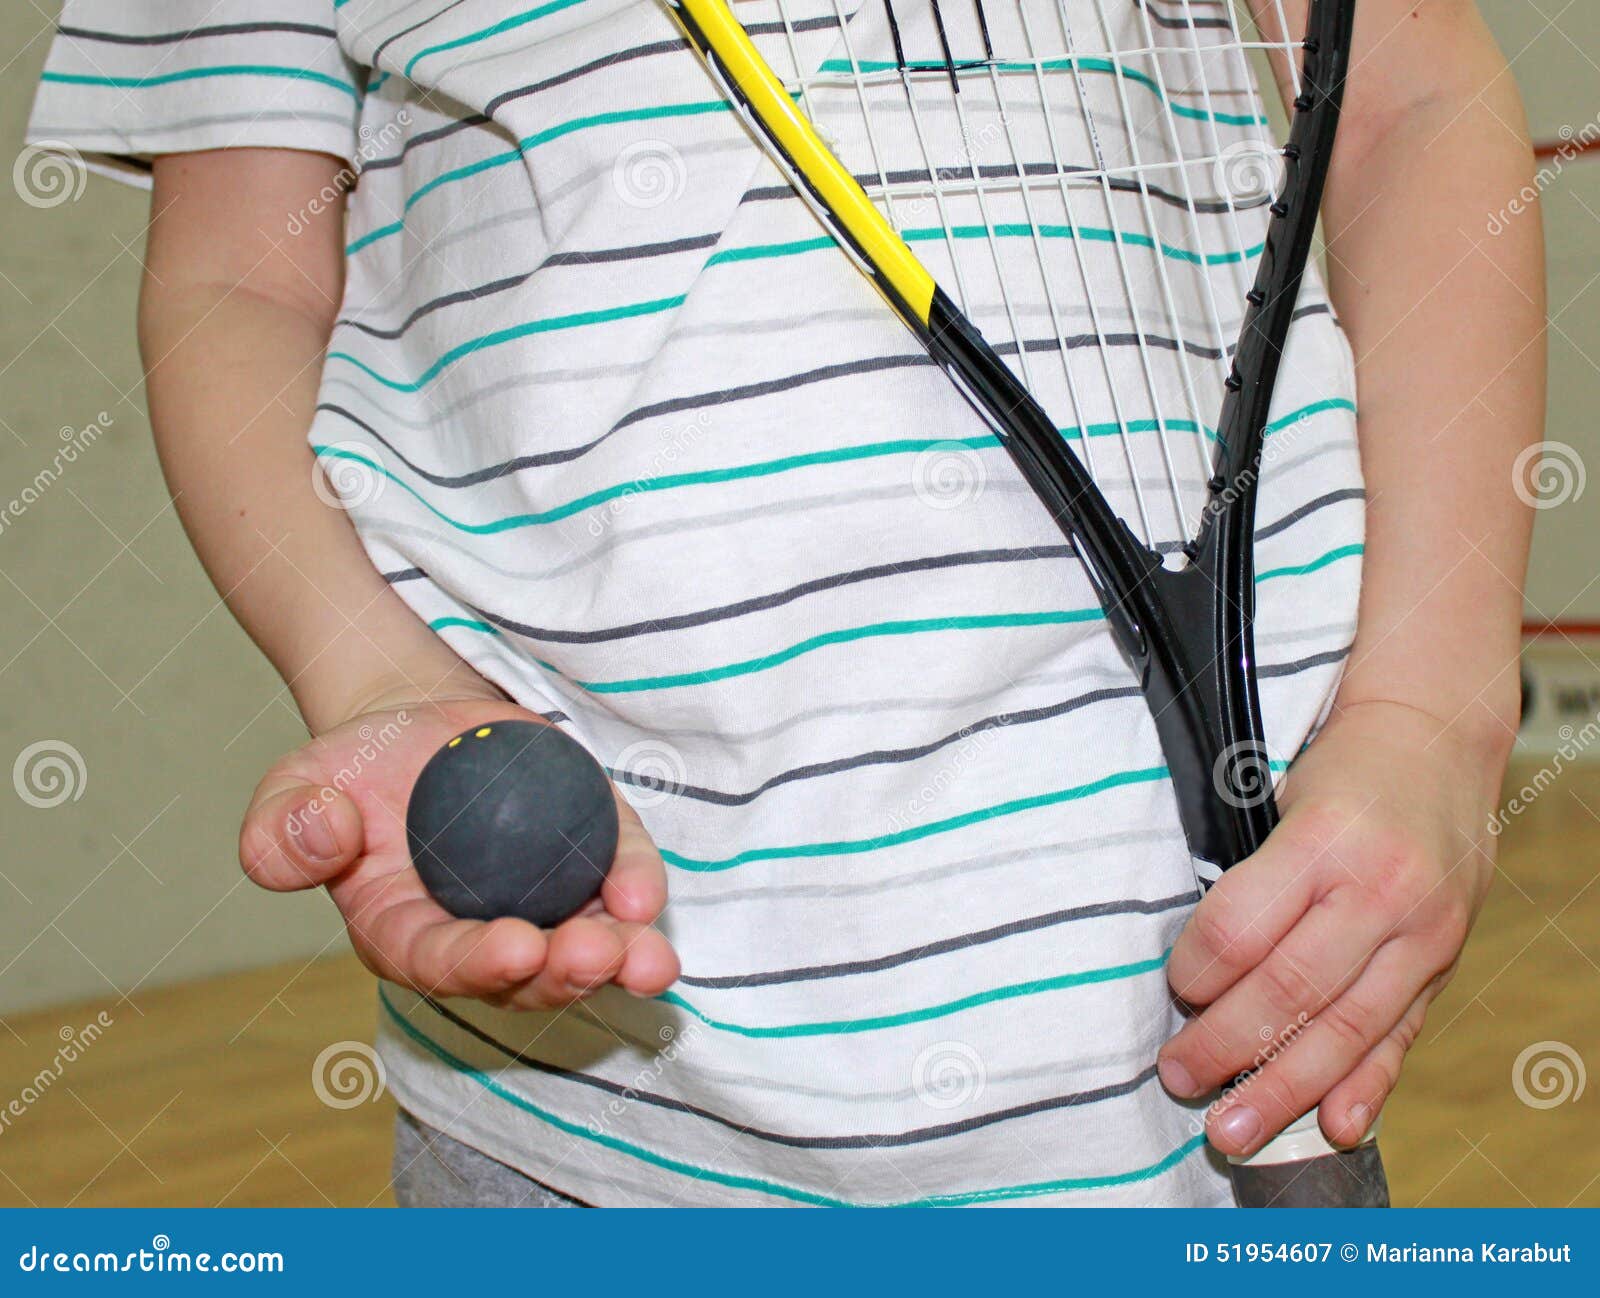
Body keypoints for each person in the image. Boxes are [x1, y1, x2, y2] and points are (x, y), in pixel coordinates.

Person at [26, 0, 1543, 1206]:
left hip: (1246, 1058)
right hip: (577, 1132)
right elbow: (238, 273)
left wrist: (1435, 709)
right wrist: (371, 675)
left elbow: (1407, 93)